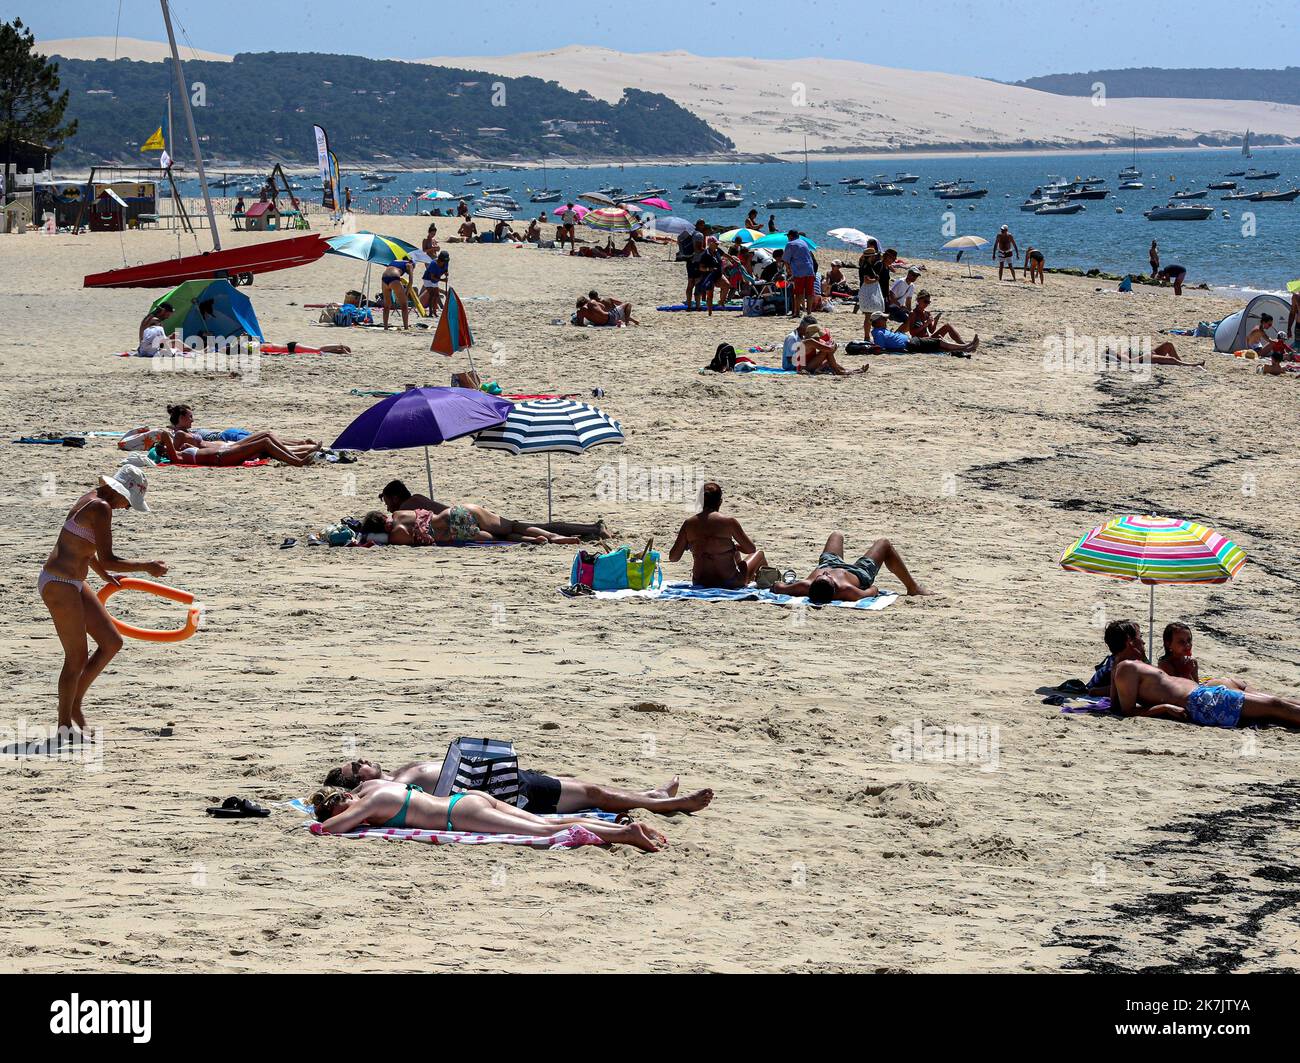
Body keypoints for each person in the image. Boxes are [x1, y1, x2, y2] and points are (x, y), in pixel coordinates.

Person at [40, 466, 167, 735]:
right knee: (76, 658)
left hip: (74, 581)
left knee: (112, 642)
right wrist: (147, 566)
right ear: (120, 492)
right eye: (128, 502)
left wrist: (103, 574)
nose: (126, 508)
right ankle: (64, 725)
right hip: (59, 584)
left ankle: (75, 702)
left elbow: (82, 544)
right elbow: (108, 555)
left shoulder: (92, 497)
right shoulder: (101, 508)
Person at [309, 781, 668, 851]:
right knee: (545, 821)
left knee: (546, 831)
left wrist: (329, 817)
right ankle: (620, 826)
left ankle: (626, 834)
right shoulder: (377, 788)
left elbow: (327, 829)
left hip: (461, 816)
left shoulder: (368, 803)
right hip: (467, 800)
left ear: (342, 799)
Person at [325, 756, 714, 817]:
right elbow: (347, 805)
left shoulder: (400, 771)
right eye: (355, 767)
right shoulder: (383, 788)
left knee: (587, 788)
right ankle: (668, 804)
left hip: (500, 778)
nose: (362, 762)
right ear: (353, 783)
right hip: (504, 795)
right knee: (591, 796)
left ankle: (650, 796)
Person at [376, 480, 607, 539]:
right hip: (468, 514)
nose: (387, 506)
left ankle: (593, 529)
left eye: (387, 500)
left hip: (462, 520)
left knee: (521, 529)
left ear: (396, 496)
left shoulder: (406, 506)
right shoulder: (417, 498)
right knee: (519, 529)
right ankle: (585, 531)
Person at [1111, 659, 1300, 727]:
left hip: (1204, 695)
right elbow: (1126, 711)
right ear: (1129, 640)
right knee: (1275, 706)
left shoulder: (1132, 666)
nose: (1142, 639)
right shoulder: (1127, 667)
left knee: (1276, 704)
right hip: (1201, 702)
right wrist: (1164, 708)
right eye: (1137, 635)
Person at [773, 531, 930, 603]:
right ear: (835, 588)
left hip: (829, 562)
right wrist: (870, 589)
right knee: (884, 543)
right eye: (827, 577)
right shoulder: (847, 590)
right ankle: (913, 588)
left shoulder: (805, 585)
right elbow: (872, 590)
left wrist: (787, 584)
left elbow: (777, 587)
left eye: (822, 575)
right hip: (859, 573)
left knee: (836, 535)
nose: (827, 574)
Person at [668, 482, 769, 589]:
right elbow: (751, 549)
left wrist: (690, 545)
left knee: (735, 553)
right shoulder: (729, 522)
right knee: (759, 554)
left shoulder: (689, 524)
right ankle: (767, 584)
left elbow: (673, 557)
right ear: (720, 502)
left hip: (700, 582)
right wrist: (734, 546)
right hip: (729, 583)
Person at [360, 506, 580, 545]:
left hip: (456, 532)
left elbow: (423, 540)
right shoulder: (399, 513)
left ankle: (537, 540)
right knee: (512, 525)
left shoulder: (397, 534)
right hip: (455, 513)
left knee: (500, 538)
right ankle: (550, 536)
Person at [869, 311, 977, 356]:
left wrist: (933, 321)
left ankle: (965, 347)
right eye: (883, 319)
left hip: (912, 342)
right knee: (939, 342)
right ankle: (966, 346)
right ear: (877, 321)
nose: (886, 321)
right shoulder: (878, 333)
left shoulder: (881, 331)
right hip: (911, 343)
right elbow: (881, 348)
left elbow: (931, 330)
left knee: (939, 343)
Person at [902, 291, 971, 346]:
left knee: (947, 326)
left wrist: (936, 320)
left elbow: (931, 330)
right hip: (919, 341)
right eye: (925, 301)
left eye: (928, 302)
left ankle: (963, 344)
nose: (927, 304)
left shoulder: (927, 313)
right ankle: (964, 346)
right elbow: (912, 332)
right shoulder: (913, 314)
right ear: (918, 300)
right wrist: (925, 324)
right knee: (941, 340)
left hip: (928, 339)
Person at [783, 229, 816, 318]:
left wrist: (789, 271)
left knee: (798, 293)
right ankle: (809, 313)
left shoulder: (790, 244)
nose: (787, 238)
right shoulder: (804, 242)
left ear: (790, 236)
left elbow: (786, 260)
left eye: (787, 236)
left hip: (799, 270)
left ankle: (797, 313)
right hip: (809, 269)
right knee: (809, 293)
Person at [857, 245, 886, 332]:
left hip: (867, 291)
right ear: (871, 256)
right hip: (867, 291)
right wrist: (875, 279)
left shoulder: (866, 265)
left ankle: (867, 335)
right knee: (869, 315)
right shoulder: (867, 266)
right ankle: (867, 335)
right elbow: (866, 280)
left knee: (869, 315)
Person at [380, 258, 415, 329]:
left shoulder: (394, 261)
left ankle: (385, 327)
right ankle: (406, 327)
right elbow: (411, 281)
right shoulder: (410, 264)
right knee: (404, 305)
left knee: (387, 305)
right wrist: (406, 294)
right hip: (394, 277)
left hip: (384, 277)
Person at [420, 250, 449, 315]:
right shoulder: (433, 264)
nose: (443, 263)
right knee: (432, 295)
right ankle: (430, 312)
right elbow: (432, 277)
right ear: (439, 260)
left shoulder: (446, 262)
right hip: (428, 279)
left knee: (436, 295)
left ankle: (435, 312)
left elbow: (445, 269)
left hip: (436, 280)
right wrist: (442, 280)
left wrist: (446, 273)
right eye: (442, 262)